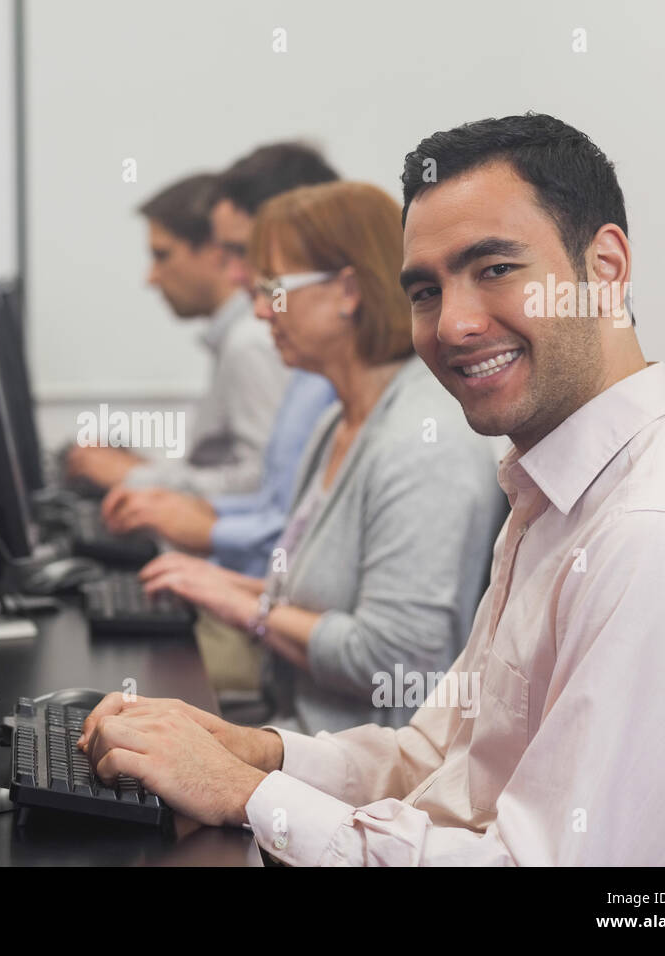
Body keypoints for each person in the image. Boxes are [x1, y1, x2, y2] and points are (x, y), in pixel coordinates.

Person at [77, 113, 665, 866]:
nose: (453, 324)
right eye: (424, 290)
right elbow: (433, 756)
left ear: (605, 268)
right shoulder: (549, 493)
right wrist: (259, 753)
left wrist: (250, 798)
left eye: (495, 269)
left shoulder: (659, 537)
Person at [129, 180, 505, 733]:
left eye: (273, 289)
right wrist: (225, 586)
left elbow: (394, 664)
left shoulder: (423, 446)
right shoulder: (341, 418)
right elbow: (323, 603)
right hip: (306, 736)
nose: (258, 311)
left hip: (367, 782)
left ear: (348, 291)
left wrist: (245, 609)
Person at [101, 143, 341, 579]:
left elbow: (284, 520)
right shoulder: (310, 374)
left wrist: (156, 489)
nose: (234, 275)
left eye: (241, 252)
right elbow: (277, 502)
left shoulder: (257, 343)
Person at [64, 171, 288, 496]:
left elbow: (262, 485)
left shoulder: (250, 343)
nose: (151, 278)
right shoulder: (237, 339)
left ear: (217, 251)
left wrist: (137, 476)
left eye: (162, 255)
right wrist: (144, 469)